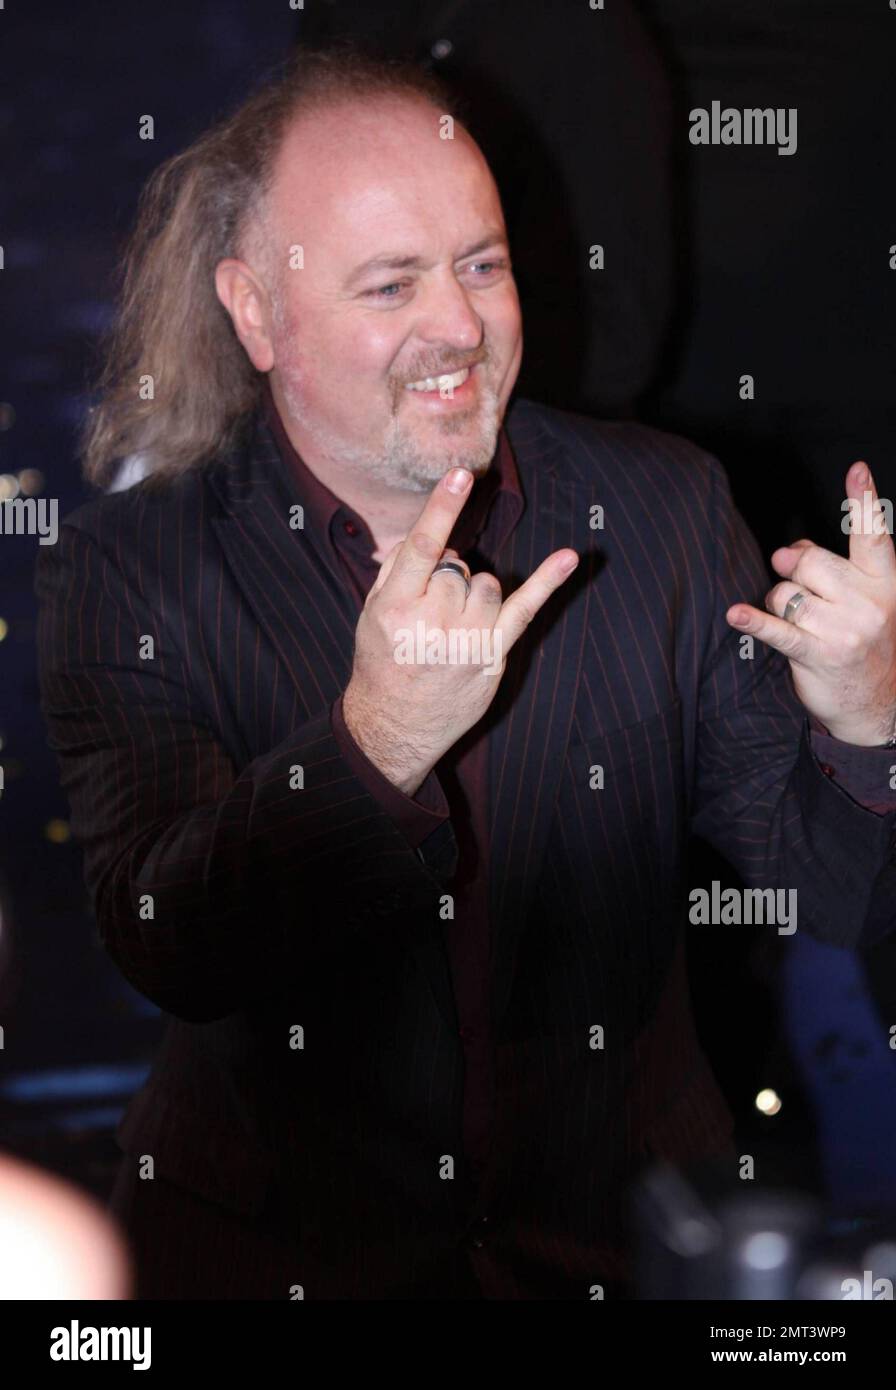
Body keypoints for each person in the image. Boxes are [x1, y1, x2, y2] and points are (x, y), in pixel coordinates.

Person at [35, 46, 896, 1299]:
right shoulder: (137, 566)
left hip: (620, 1254)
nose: (460, 327)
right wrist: (375, 743)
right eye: (390, 285)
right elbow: (168, 941)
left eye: (480, 265)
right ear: (256, 311)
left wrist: (868, 723)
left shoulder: (656, 507)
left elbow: (821, 894)